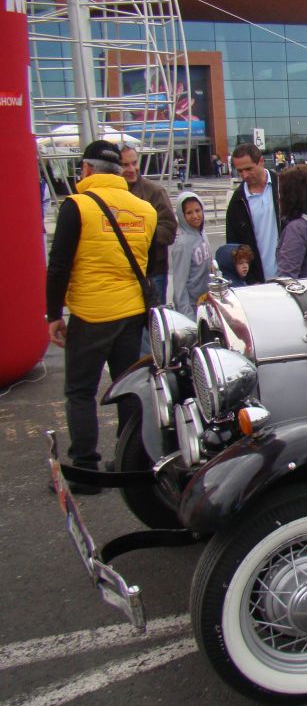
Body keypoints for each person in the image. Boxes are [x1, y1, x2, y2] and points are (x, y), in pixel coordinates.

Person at [45, 140, 157, 494]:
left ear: (87, 169)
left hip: (92, 313)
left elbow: (59, 265)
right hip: (132, 312)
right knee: (127, 391)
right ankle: (128, 464)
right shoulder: (144, 210)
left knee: (80, 391)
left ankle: (85, 469)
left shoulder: (76, 207)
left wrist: (53, 314)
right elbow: (148, 264)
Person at [120, 145, 177, 305]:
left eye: (134, 163)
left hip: (153, 272)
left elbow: (169, 230)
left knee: (154, 325)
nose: (131, 169)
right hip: (124, 274)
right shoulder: (113, 194)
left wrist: (138, 232)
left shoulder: (154, 191)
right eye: (125, 165)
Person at [226, 143, 281, 283]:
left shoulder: (284, 185)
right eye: (240, 171)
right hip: (257, 282)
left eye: (249, 169)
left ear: (261, 161)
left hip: (291, 275)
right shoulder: (236, 202)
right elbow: (234, 249)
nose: (244, 175)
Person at [170, 191, 213, 320]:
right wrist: (187, 317)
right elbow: (179, 284)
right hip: (193, 308)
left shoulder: (202, 234)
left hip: (207, 302)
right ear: (182, 216)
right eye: (189, 213)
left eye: (198, 210)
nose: (195, 216)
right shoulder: (182, 244)